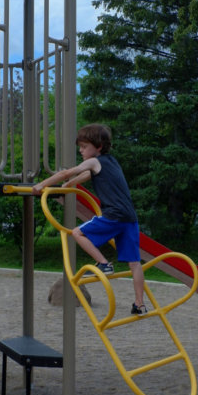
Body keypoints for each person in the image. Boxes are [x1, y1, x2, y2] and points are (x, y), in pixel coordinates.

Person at [33, 123, 146, 315]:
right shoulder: (111, 161)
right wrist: (71, 184)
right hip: (129, 218)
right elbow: (86, 175)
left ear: (98, 147)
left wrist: (41, 185)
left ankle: (104, 264)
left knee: (77, 233)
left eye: (84, 147)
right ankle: (139, 304)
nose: (81, 150)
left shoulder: (94, 161)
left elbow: (67, 172)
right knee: (135, 263)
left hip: (113, 215)